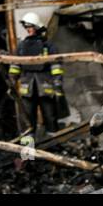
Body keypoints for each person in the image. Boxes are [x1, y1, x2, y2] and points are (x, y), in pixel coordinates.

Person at [9, 12, 63, 146]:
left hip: (45, 87)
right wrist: (11, 82)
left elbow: (56, 67)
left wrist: (57, 85)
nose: (28, 29)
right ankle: (27, 151)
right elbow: (15, 66)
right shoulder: (21, 46)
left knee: (50, 117)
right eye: (26, 27)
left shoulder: (48, 46)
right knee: (28, 121)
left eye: (31, 27)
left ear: (37, 27)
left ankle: (55, 147)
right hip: (28, 89)